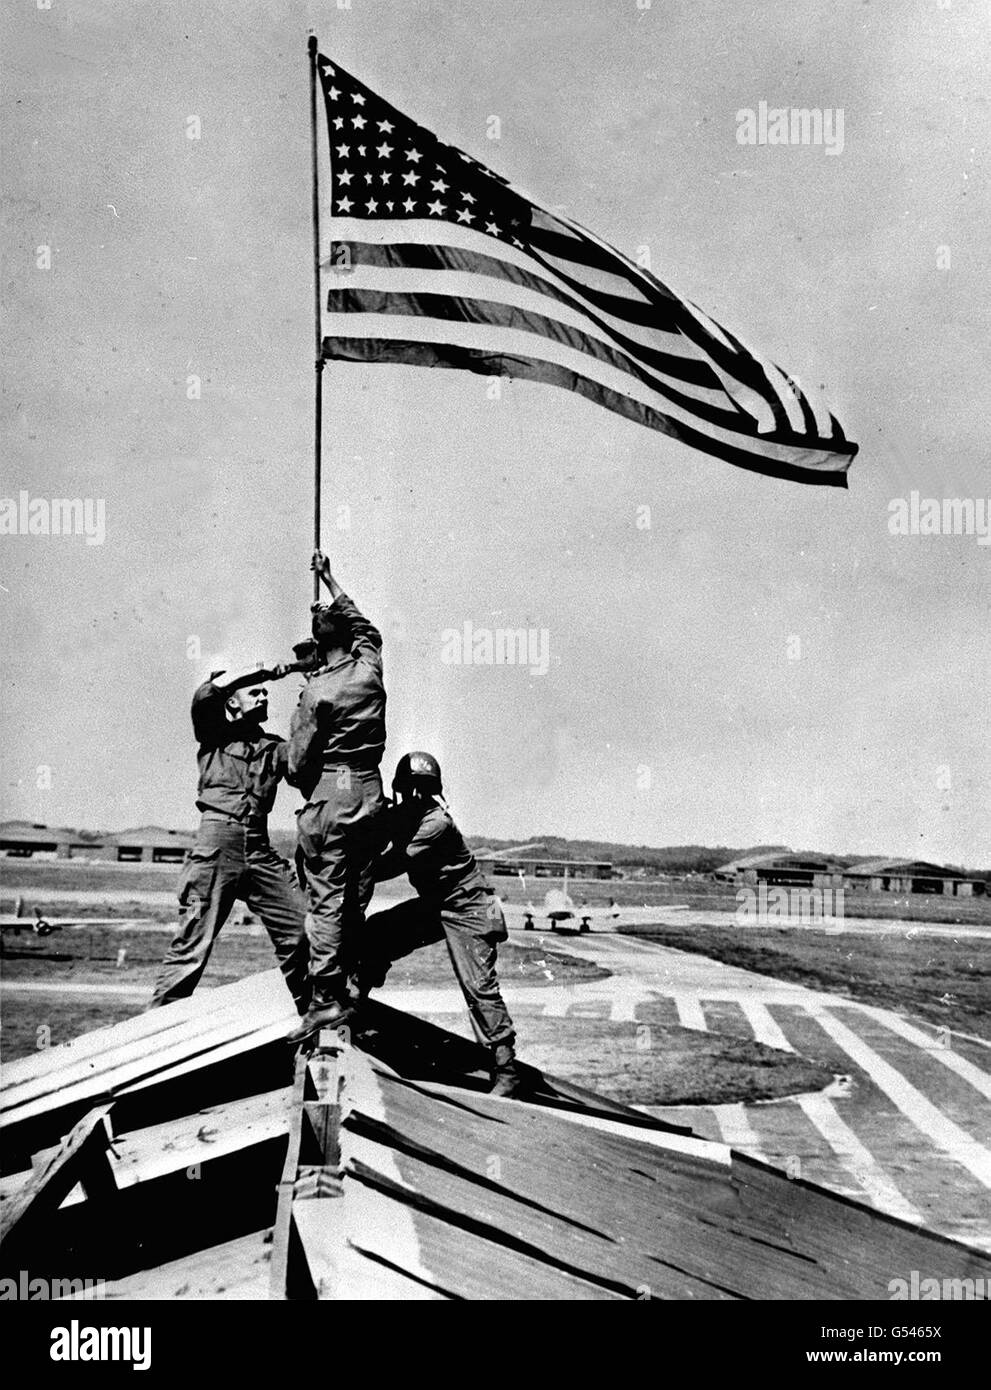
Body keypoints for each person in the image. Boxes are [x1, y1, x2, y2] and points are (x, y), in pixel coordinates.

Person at [361, 752, 524, 1098]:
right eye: (410, 788)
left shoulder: (437, 823)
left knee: (478, 986)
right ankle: (353, 1002)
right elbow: (376, 831)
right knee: (378, 931)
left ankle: (506, 1069)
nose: (416, 795)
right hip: (438, 903)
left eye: (423, 788)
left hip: (470, 906)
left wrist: (349, 869)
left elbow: (394, 863)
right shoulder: (405, 814)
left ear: (432, 791)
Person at [150, 663, 310, 1011]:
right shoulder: (213, 734)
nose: (264, 694)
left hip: (259, 847)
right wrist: (252, 672)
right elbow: (205, 699)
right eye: (254, 692)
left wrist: (310, 699)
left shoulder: (274, 748)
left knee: (302, 932)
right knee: (192, 946)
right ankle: (151, 1032)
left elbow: (300, 765)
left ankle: (309, 1018)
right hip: (217, 843)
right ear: (233, 702)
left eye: (265, 691)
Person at [285, 551, 388, 1042]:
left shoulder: (316, 693)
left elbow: (296, 764)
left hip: (334, 787)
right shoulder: (370, 667)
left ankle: (324, 1001)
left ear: (317, 649)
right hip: (370, 789)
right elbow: (367, 628)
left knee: (325, 898)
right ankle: (349, 984)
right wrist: (330, 581)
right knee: (355, 897)